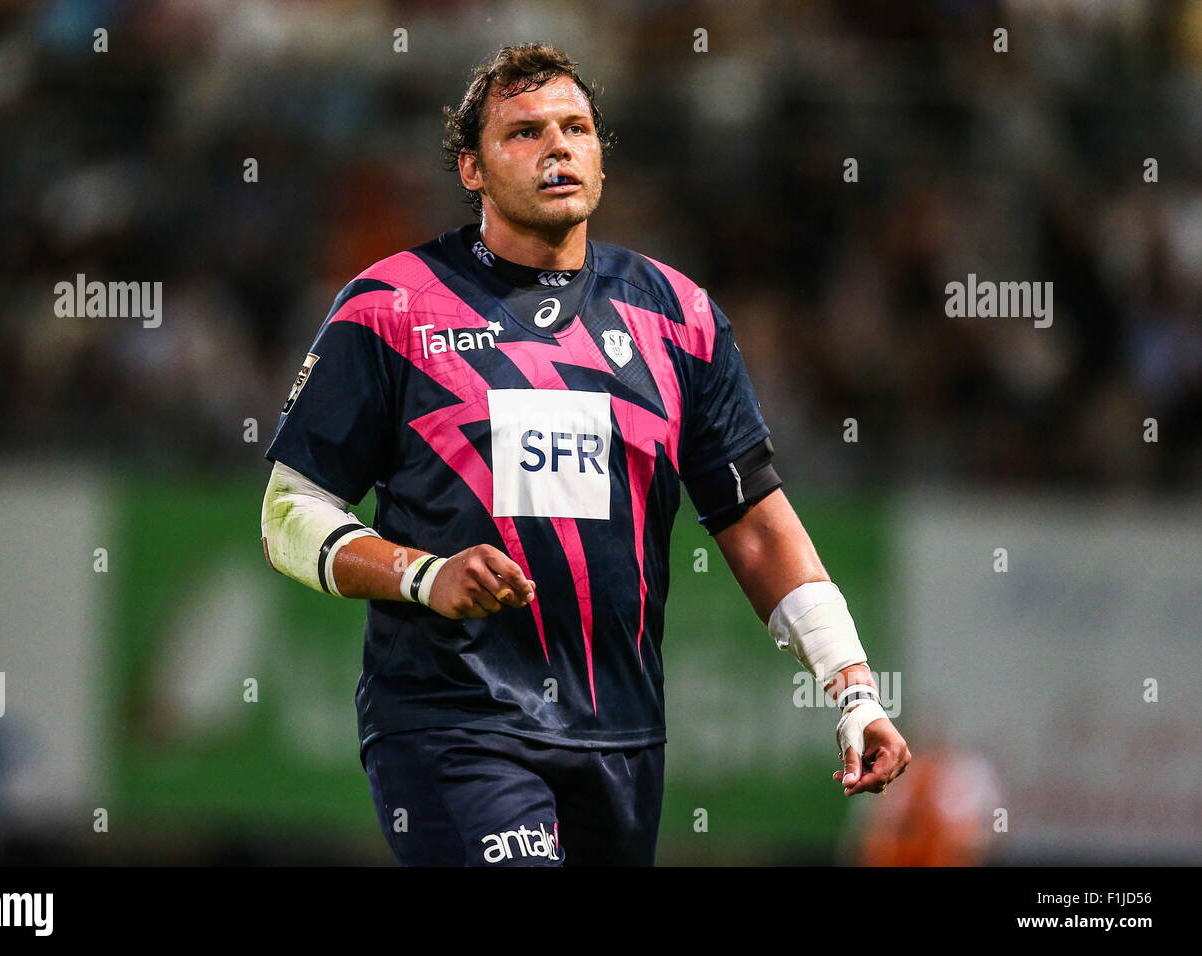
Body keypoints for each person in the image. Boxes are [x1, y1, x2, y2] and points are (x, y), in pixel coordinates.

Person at [260, 42, 910, 866]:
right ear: (472, 169)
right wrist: (423, 574)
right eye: (524, 133)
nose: (557, 146)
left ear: (601, 156)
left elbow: (751, 520)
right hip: (454, 721)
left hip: (621, 736)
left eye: (576, 128)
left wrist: (852, 687)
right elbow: (288, 513)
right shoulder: (389, 308)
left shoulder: (679, 317)